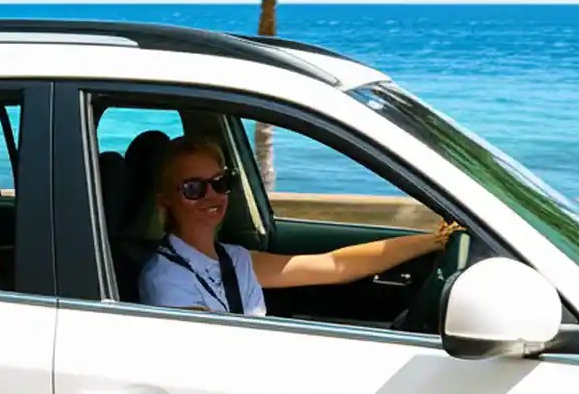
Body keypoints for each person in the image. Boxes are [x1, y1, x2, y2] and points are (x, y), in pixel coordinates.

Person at [137, 135, 460, 315]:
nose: (212, 196)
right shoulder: (166, 279)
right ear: (165, 200)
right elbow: (209, 353)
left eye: (220, 183)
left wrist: (433, 241)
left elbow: (335, 265)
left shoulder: (234, 260)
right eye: (194, 188)